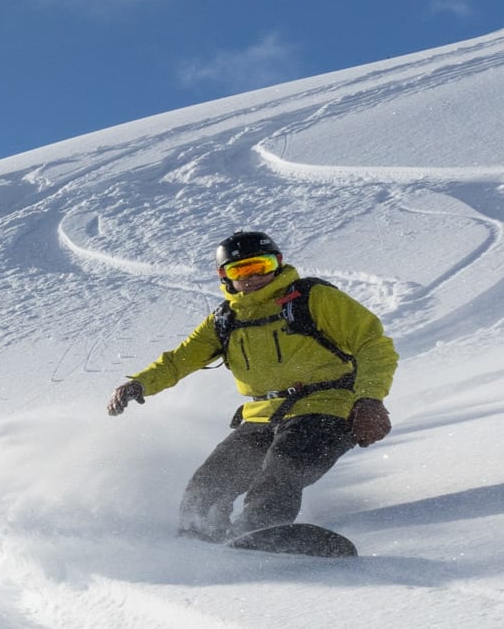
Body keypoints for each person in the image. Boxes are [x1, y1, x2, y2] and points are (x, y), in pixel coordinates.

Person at [107, 231, 398, 539]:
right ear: (225, 276)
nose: (253, 277)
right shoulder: (225, 319)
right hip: (262, 416)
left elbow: (374, 344)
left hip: (327, 409)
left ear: (278, 263)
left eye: (261, 266)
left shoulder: (314, 299)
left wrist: (370, 399)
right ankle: (199, 540)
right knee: (207, 485)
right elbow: (178, 360)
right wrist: (139, 384)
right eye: (240, 271)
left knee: (282, 468)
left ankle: (260, 534)